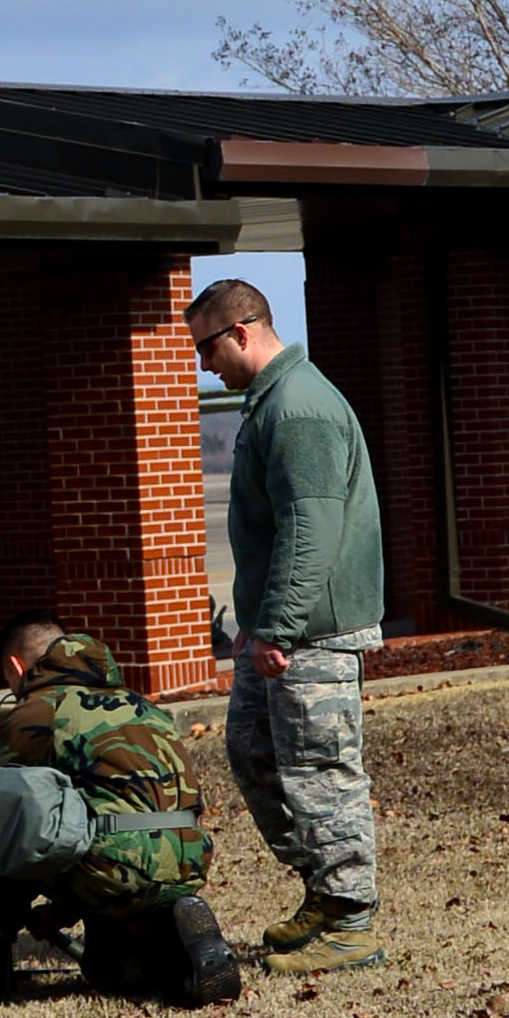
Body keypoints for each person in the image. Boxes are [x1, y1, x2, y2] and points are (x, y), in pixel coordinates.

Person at [186, 277, 385, 975]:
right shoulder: (272, 402)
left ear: (242, 330)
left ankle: (351, 919)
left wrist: (280, 625)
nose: (204, 364)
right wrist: (259, 623)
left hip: (313, 634)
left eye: (207, 348)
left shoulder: (297, 408)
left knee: (321, 770)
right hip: (277, 627)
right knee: (252, 748)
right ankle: (323, 891)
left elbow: (311, 525)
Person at [0, 614, 239, 1018]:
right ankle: (176, 957)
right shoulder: (142, 707)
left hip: (109, 865)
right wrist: (63, 912)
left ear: (16, 669)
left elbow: (9, 829)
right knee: (105, 969)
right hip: (183, 861)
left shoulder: (38, 711)